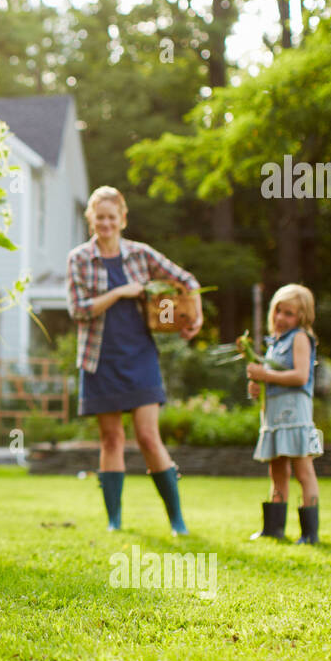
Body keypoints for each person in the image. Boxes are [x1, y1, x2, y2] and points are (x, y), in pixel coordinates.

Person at [66, 186, 203, 534]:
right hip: (99, 360)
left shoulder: (141, 255)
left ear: (123, 219)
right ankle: (114, 520)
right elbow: (78, 310)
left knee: (147, 437)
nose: (106, 223)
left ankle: (177, 519)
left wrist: (193, 318)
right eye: (100, 218)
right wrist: (119, 293)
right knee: (111, 440)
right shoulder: (79, 259)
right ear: (91, 220)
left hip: (140, 357)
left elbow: (187, 281)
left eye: (112, 217)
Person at [246, 283, 323, 544]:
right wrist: (258, 386)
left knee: (303, 470)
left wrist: (265, 374)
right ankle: (273, 528)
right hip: (275, 414)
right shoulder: (275, 342)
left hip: (294, 413)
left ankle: (310, 534)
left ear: (301, 317)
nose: (281, 318)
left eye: (289, 313)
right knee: (277, 471)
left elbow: (301, 376)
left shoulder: (300, 338)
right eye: (278, 311)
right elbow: (275, 378)